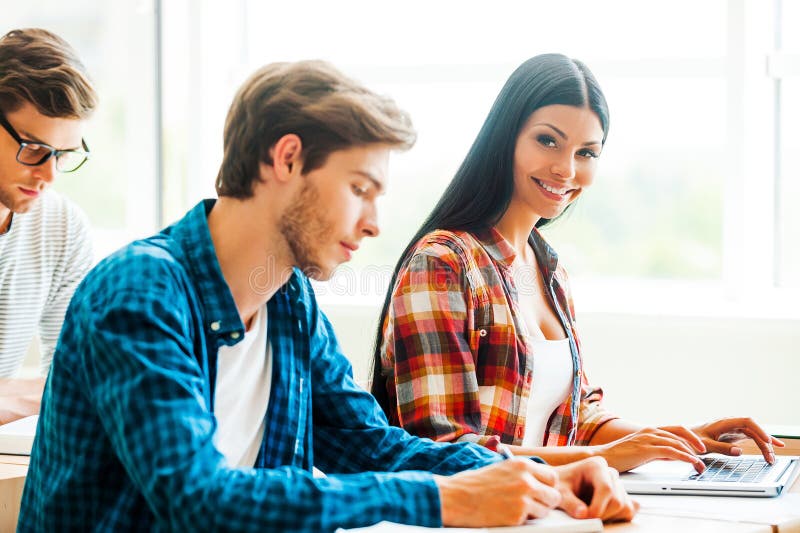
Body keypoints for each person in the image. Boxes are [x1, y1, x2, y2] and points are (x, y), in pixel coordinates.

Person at [18, 60, 637, 532]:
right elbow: (195, 496)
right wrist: (444, 500)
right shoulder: (140, 293)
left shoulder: (287, 301)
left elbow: (365, 442)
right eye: (361, 189)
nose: (373, 224)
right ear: (287, 159)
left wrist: (539, 476)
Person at [371, 53, 784, 474]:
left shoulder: (548, 269)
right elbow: (443, 451)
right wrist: (602, 459)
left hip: (546, 506)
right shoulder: (442, 265)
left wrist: (680, 438)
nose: (566, 168)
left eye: (586, 153)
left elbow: (575, 419)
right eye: (548, 141)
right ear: (505, 137)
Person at [0, 28, 96, 425]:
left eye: (64, 155)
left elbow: (80, 382)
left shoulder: (62, 227)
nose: (49, 175)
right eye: (34, 150)